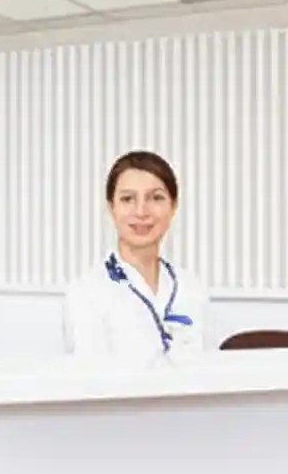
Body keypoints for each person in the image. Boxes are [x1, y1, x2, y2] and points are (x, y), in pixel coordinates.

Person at [63, 150, 208, 360]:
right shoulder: (86, 293)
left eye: (156, 198)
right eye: (127, 199)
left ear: (173, 206)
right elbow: (93, 384)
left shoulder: (192, 287)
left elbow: (209, 374)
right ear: (111, 208)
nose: (141, 211)